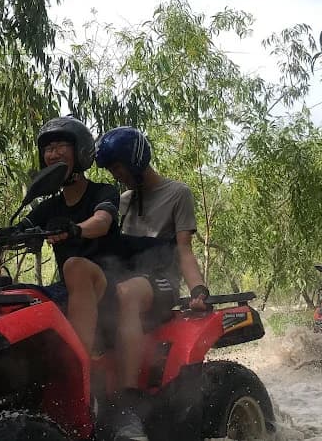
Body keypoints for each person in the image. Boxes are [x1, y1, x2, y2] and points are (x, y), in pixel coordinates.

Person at [0, 116, 119, 356]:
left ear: (81, 151)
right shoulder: (49, 207)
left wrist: (75, 229)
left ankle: (80, 365)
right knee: (11, 297)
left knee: (75, 266)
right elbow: (3, 240)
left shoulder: (103, 192)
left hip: (106, 285)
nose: (53, 154)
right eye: (48, 149)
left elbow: (101, 222)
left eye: (61, 146)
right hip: (67, 288)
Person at [94, 126, 209, 441]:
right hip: (126, 277)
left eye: (118, 168)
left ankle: (128, 400)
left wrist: (199, 290)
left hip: (161, 281)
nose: (116, 175)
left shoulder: (178, 194)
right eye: (111, 170)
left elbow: (184, 251)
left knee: (125, 293)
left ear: (136, 160)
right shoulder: (122, 201)